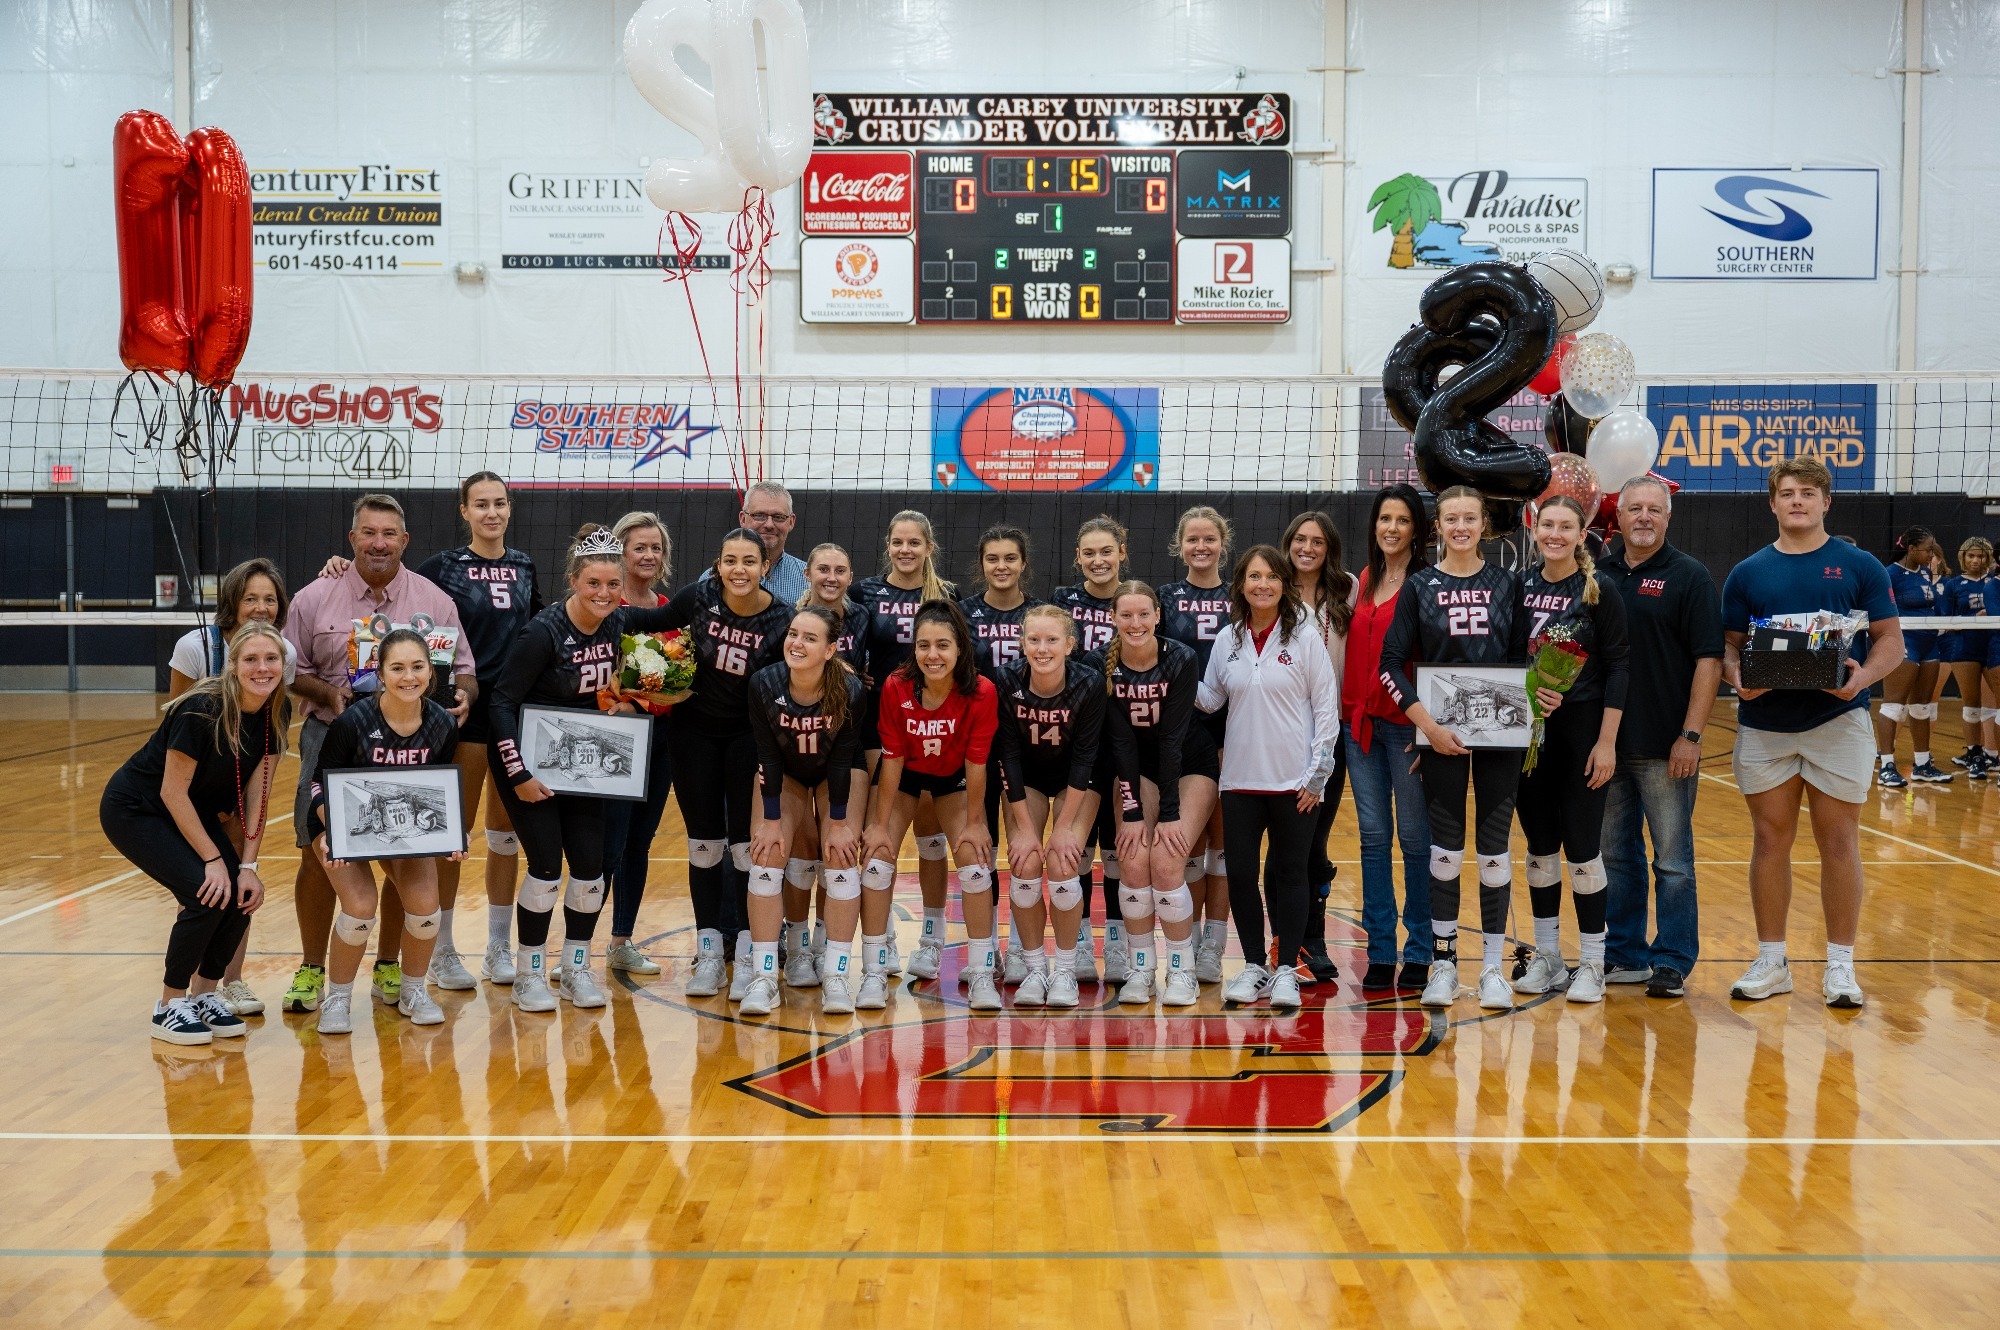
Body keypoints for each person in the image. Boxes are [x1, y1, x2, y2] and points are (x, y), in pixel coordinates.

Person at [280, 495, 476, 1017]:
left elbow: (463, 669)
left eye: (389, 533)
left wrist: (463, 695)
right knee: (317, 854)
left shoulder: (434, 599)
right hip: (335, 735)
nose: (379, 542)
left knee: (405, 846)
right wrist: (326, 694)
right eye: (369, 533)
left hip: (411, 736)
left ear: (405, 541)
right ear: (352, 539)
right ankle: (311, 968)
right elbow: (283, 668)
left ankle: (391, 964)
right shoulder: (315, 596)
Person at [486, 525, 692, 1011]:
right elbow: (501, 703)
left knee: (590, 870)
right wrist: (518, 774)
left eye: (612, 585)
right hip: (532, 764)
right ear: (574, 581)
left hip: (586, 765)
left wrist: (634, 706)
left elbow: (670, 615)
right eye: (593, 583)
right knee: (544, 869)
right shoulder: (543, 632)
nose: (604, 594)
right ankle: (529, 973)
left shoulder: (619, 623)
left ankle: (576, 968)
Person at [1722, 458, 1903, 1009]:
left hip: (1837, 721)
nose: (1796, 501)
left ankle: (1841, 967)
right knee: (1770, 841)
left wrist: (1862, 678)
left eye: (1807, 493)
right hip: (1767, 725)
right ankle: (1772, 960)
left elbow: (1890, 642)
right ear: (1772, 503)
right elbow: (1729, 646)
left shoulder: (1860, 565)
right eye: (1786, 493)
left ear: (1827, 502)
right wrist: (1738, 680)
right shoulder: (1747, 573)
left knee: (1839, 842)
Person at [1379, 485, 1530, 1013]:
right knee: (1444, 852)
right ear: (1438, 527)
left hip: (1498, 742)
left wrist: (1529, 708)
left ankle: (1491, 966)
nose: (1460, 527)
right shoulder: (1420, 586)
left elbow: (1520, 665)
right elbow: (1389, 663)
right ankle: (1444, 961)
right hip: (1441, 739)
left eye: (1470, 517)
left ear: (1484, 522)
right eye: (1450, 519)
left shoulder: (1507, 584)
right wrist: (1428, 728)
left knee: (1493, 851)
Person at [103, 622, 286, 1044]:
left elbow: (258, 796)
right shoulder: (201, 708)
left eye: (271, 658)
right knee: (207, 893)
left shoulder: (277, 709)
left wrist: (248, 866)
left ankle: (204, 996)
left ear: (283, 664)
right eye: (251, 659)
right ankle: (169, 1005)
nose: (262, 668)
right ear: (233, 666)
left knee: (241, 896)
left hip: (190, 811)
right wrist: (212, 861)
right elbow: (171, 790)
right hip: (139, 809)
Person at [411, 473, 542, 990]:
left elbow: (537, 634)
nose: (492, 512)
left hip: (514, 714)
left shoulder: (525, 566)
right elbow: (395, 595)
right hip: (463, 713)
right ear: (463, 511)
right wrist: (336, 568)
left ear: (510, 510)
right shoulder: (442, 567)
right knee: (454, 836)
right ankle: (442, 951)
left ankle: (496, 947)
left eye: (500, 504)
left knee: (505, 836)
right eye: (481, 504)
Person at [1198, 547, 1341, 1010]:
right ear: (1240, 584)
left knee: (1290, 874)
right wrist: (1165, 666)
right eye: (1253, 576)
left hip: (1294, 783)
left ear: (1284, 584)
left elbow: (1326, 708)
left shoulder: (1304, 637)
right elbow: (1211, 699)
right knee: (1240, 874)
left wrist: (1318, 774)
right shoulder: (1228, 639)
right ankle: (1256, 965)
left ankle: (1284, 973)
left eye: (1272, 576)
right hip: (1239, 780)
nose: (1263, 584)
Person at [1596, 477, 1722, 1000]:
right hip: (1604, 746)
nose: (1644, 517)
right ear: (1618, 517)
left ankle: (1672, 958)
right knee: (1614, 856)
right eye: (1634, 509)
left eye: (1654, 509)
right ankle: (1624, 954)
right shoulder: (1595, 574)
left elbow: (1709, 661)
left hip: (1664, 745)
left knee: (1672, 860)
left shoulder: (1689, 576)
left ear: (1668, 518)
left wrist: (1690, 735)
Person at [305, 629, 463, 1034]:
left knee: (427, 910)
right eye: (397, 668)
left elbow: (440, 788)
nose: (408, 676)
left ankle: (412, 989)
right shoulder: (355, 721)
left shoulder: (443, 724)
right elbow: (320, 784)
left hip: (403, 828)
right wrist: (334, 832)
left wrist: (450, 836)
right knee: (359, 910)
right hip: (345, 824)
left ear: (431, 672)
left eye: (417, 667)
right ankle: (338, 1000)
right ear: (380, 673)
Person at [659, 528, 793, 999]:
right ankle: (709, 953)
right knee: (703, 846)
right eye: (730, 560)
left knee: (743, 848)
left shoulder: (781, 618)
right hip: (692, 734)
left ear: (764, 567)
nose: (739, 569)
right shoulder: (698, 597)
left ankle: (747, 958)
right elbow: (648, 622)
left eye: (749, 561)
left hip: (746, 740)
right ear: (718, 565)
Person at [165, 557, 296, 1017]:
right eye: (250, 598)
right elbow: (169, 720)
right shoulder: (194, 647)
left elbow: (268, 730)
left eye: (270, 599)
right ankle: (188, 991)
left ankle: (230, 982)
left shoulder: (283, 652)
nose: (260, 607)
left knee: (241, 881)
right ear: (231, 603)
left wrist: (238, 803)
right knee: (206, 885)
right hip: (189, 785)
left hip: (239, 784)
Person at [1510, 496, 1629, 1003]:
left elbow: (1621, 667)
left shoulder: (1600, 590)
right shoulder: (1518, 587)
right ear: (1535, 530)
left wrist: (1607, 743)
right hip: (1528, 729)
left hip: (1582, 730)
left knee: (1582, 848)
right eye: (1547, 525)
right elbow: (1503, 655)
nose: (1555, 534)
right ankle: (1549, 958)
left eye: (1566, 526)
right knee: (1540, 846)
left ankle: (1593, 964)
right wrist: (1527, 688)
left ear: (1583, 535)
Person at [859, 600, 1000, 1009]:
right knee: (877, 859)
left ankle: (981, 970)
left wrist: (976, 823)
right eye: (923, 646)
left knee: (974, 863)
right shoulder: (897, 684)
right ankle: (873, 970)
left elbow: (976, 762)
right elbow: (892, 759)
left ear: (960, 649)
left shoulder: (981, 692)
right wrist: (879, 825)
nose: (932, 655)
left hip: (953, 778)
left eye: (942, 645)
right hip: (905, 777)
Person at [1096, 580, 1220, 1006]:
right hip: (1134, 768)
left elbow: (1171, 739)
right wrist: (1131, 812)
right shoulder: (1101, 664)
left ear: (1157, 616)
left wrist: (1168, 812)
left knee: (1168, 861)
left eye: (1143, 614)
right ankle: (1141, 968)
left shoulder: (1180, 658)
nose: (1135, 623)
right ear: (1112, 619)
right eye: (1125, 615)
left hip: (1190, 763)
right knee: (1132, 857)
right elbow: (1121, 743)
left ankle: (1181, 970)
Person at [744, 607, 868, 1016]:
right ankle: (765, 976)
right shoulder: (765, 682)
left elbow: (842, 759)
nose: (797, 643)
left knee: (841, 858)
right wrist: (773, 819)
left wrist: (837, 823)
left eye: (810, 638)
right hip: (786, 772)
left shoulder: (848, 690)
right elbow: (767, 755)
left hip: (838, 772)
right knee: (767, 855)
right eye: (794, 634)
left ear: (831, 649)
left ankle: (836, 974)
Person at [853, 512, 957, 980]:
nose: (906, 550)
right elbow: (844, 646)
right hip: (882, 724)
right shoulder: (865, 593)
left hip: (937, 726)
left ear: (929, 547)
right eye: (898, 542)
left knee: (931, 839)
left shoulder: (947, 596)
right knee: (884, 836)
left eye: (915, 542)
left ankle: (933, 939)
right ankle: (886, 941)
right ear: (888, 546)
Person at [1343, 485, 1436, 993]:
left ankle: (1419, 951)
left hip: (1405, 727)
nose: (1392, 528)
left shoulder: (1426, 583)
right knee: (1374, 840)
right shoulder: (1364, 578)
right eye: (1384, 519)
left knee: (1415, 840)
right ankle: (1381, 951)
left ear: (1416, 529)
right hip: (1359, 727)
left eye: (1402, 520)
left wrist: (1427, 733)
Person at [994, 604, 1105, 1008]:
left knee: (1062, 861)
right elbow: (1007, 757)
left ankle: (1064, 971)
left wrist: (1061, 829)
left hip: (1079, 780)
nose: (1042, 649)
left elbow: (1087, 758)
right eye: (1034, 640)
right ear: (1021, 643)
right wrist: (1023, 830)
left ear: (1070, 645)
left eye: (1052, 640)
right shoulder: (1006, 680)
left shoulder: (1089, 683)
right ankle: (1034, 966)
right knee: (1023, 863)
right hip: (1028, 780)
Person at [780, 543, 874, 987]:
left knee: (838, 848)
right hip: (795, 751)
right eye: (822, 569)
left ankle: (826, 946)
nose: (830, 577)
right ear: (807, 574)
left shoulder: (863, 618)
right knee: (801, 850)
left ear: (851, 576)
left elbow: (868, 678)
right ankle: (797, 947)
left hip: (844, 746)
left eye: (840, 570)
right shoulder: (789, 620)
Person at [958, 525, 1045, 980]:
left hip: (1026, 744)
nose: (1001, 566)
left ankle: (1019, 947)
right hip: (974, 744)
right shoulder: (964, 614)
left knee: (1021, 846)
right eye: (993, 558)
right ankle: (985, 944)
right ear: (982, 564)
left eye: (1010, 558)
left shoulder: (1040, 613)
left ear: (1023, 563)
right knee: (980, 844)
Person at [1052, 515, 1131, 981]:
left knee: (1119, 850)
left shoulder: (1139, 600)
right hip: (1076, 741)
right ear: (1077, 557)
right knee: (1077, 849)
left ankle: (1118, 943)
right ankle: (1080, 940)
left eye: (1107, 551)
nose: (1098, 560)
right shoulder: (1063, 602)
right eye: (1089, 553)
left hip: (1126, 743)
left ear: (1123, 551)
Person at [1158, 506, 1235, 984]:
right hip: (1184, 729)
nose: (1201, 547)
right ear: (1180, 546)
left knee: (1223, 844)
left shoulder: (1240, 595)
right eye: (1192, 540)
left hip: (1235, 727)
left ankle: (1215, 945)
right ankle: (1188, 943)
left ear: (1222, 543)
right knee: (1190, 842)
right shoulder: (1165, 597)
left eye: (1209, 539)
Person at [598, 511, 675, 978]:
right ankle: (579, 944)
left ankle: (621, 941)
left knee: (640, 842)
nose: (648, 555)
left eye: (656, 548)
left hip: (661, 740)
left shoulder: (669, 607)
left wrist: (657, 700)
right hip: (612, 738)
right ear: (621, 553)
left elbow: (679, 676)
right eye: (639, 547)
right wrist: (619, 702)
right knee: (606, 843)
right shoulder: (603, 601)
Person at [1283, 510, 1357, 983]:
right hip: (1284, 732)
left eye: (1318, 541)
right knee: (1290, 840)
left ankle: (1313, 937)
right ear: (1288, 543)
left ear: (1329, 548)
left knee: (1316, 839)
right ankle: (1284, 942)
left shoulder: (1347, 589)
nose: (1307, 548)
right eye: (1300, 540)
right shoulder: (1270, 584)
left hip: (1332, 733)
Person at [1874, 527, 1950, 787]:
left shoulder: (1928, 573)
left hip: (1930, 643)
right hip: (1904, 642)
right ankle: (1886, 766)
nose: (1932, 553)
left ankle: (1922, 764)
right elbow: (1879, 610)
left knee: (1922, 706)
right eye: (1928, 549)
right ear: (1911, 548)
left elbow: (1936, 607)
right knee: (1894, 705)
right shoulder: (1890, 574)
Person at [701, 479, 808, 606]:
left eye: (778, 517)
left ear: (791, 522)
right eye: (759, 515)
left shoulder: (808, 579)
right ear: (743, 519)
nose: (769, 524)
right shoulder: (710, 579)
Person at [1941, 538, 1995, 777]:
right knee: (1971, 704)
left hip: (1993, 646)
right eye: (1971, 556)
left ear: (1989, 558)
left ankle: (1991, 754)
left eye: (1981, 556)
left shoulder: (1995, 583)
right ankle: (1975, 755)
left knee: (1992, 706)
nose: (1976, 560)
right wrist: (1972, 619)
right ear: (1963, 557)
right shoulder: (1954, 585)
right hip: (1964, 648)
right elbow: (1944, 619)